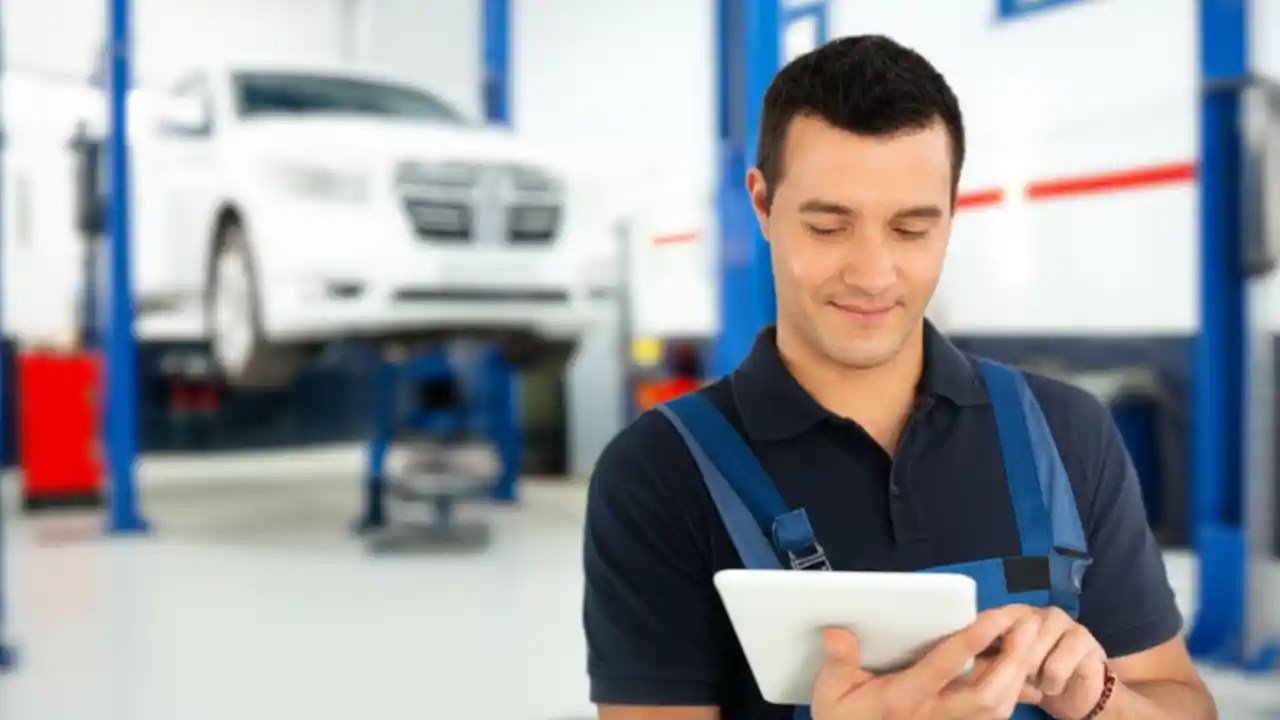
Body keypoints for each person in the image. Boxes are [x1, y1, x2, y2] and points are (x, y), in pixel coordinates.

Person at [582, 35, 1217, 720]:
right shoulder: (658, 472)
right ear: (762, 205)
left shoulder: (1065, 433)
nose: (872, 274)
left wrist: (1099, 699)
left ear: (952, 214)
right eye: (829, 227)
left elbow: (1181, 703)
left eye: (911, 229)